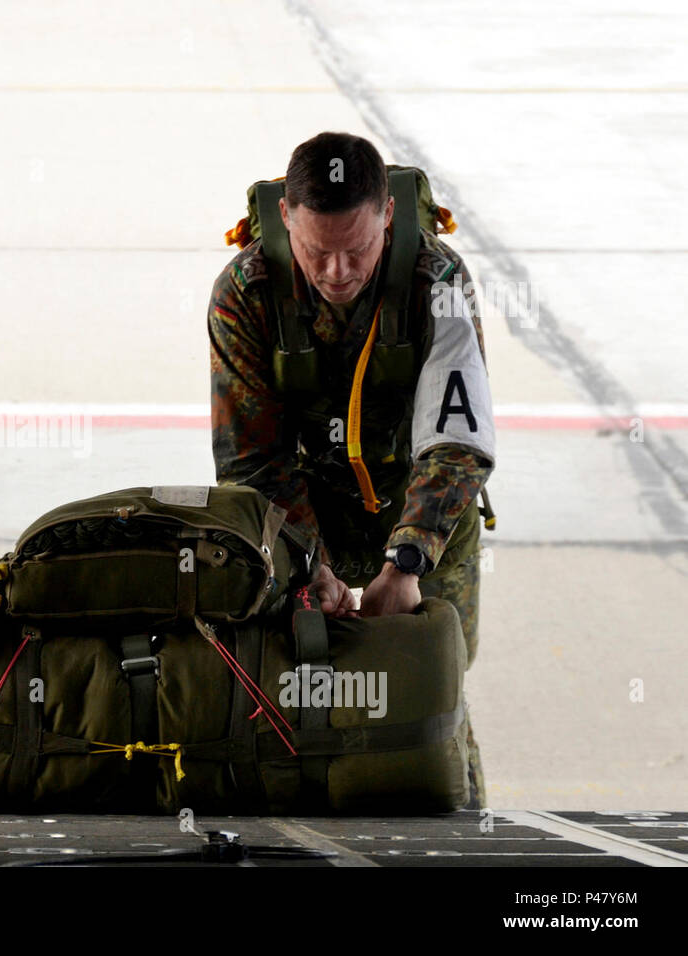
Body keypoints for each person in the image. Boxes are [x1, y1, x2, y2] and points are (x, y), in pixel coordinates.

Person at [208, 132, 495, 807]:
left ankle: (463, 841)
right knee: (303, 685)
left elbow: (456, 443)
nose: (337, 272)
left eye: (357, 250)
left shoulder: (439, 282)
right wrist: (314, 569)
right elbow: (252, 461)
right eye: (317, 252)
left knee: (432, 687)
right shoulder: (244, 293)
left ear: (387, 217)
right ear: (286, 219)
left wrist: (407, 564)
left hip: (425, 512)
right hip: (301, 514)